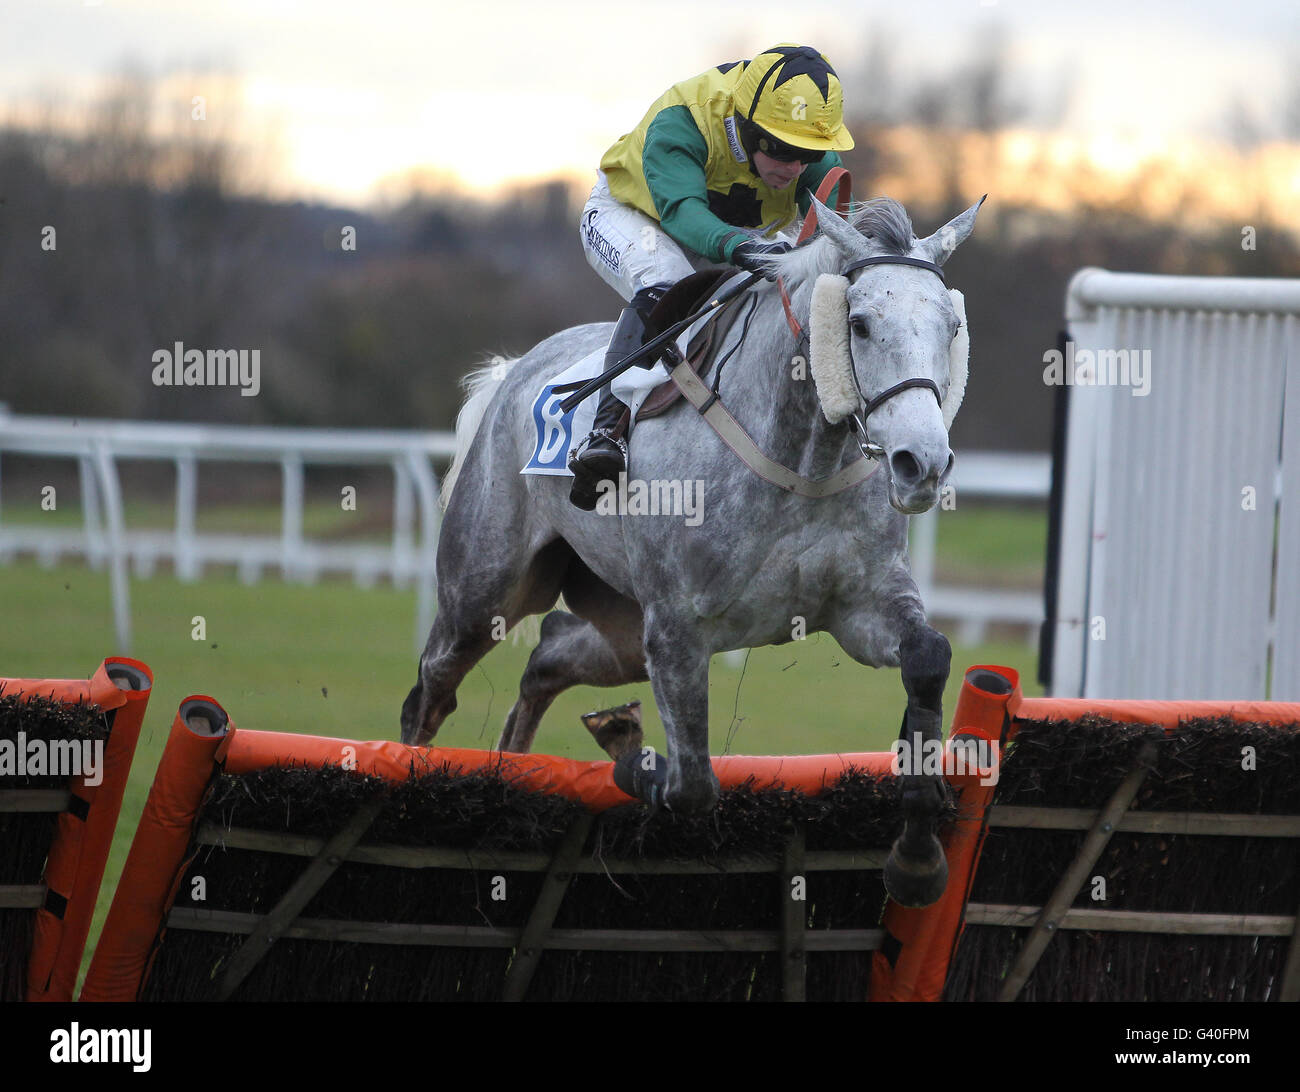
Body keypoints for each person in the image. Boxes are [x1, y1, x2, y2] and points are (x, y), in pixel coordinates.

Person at [569, 43, 856, 509]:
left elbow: (831, 245)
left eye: (810, 153)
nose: (797, 168)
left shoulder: (806, 155)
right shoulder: (683, 121)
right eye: (785, 151)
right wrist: (744, 247)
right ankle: (607, 431)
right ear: (748, 125)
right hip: (635, 216)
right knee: (667, 279)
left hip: (728, 231)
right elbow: (682, 214)